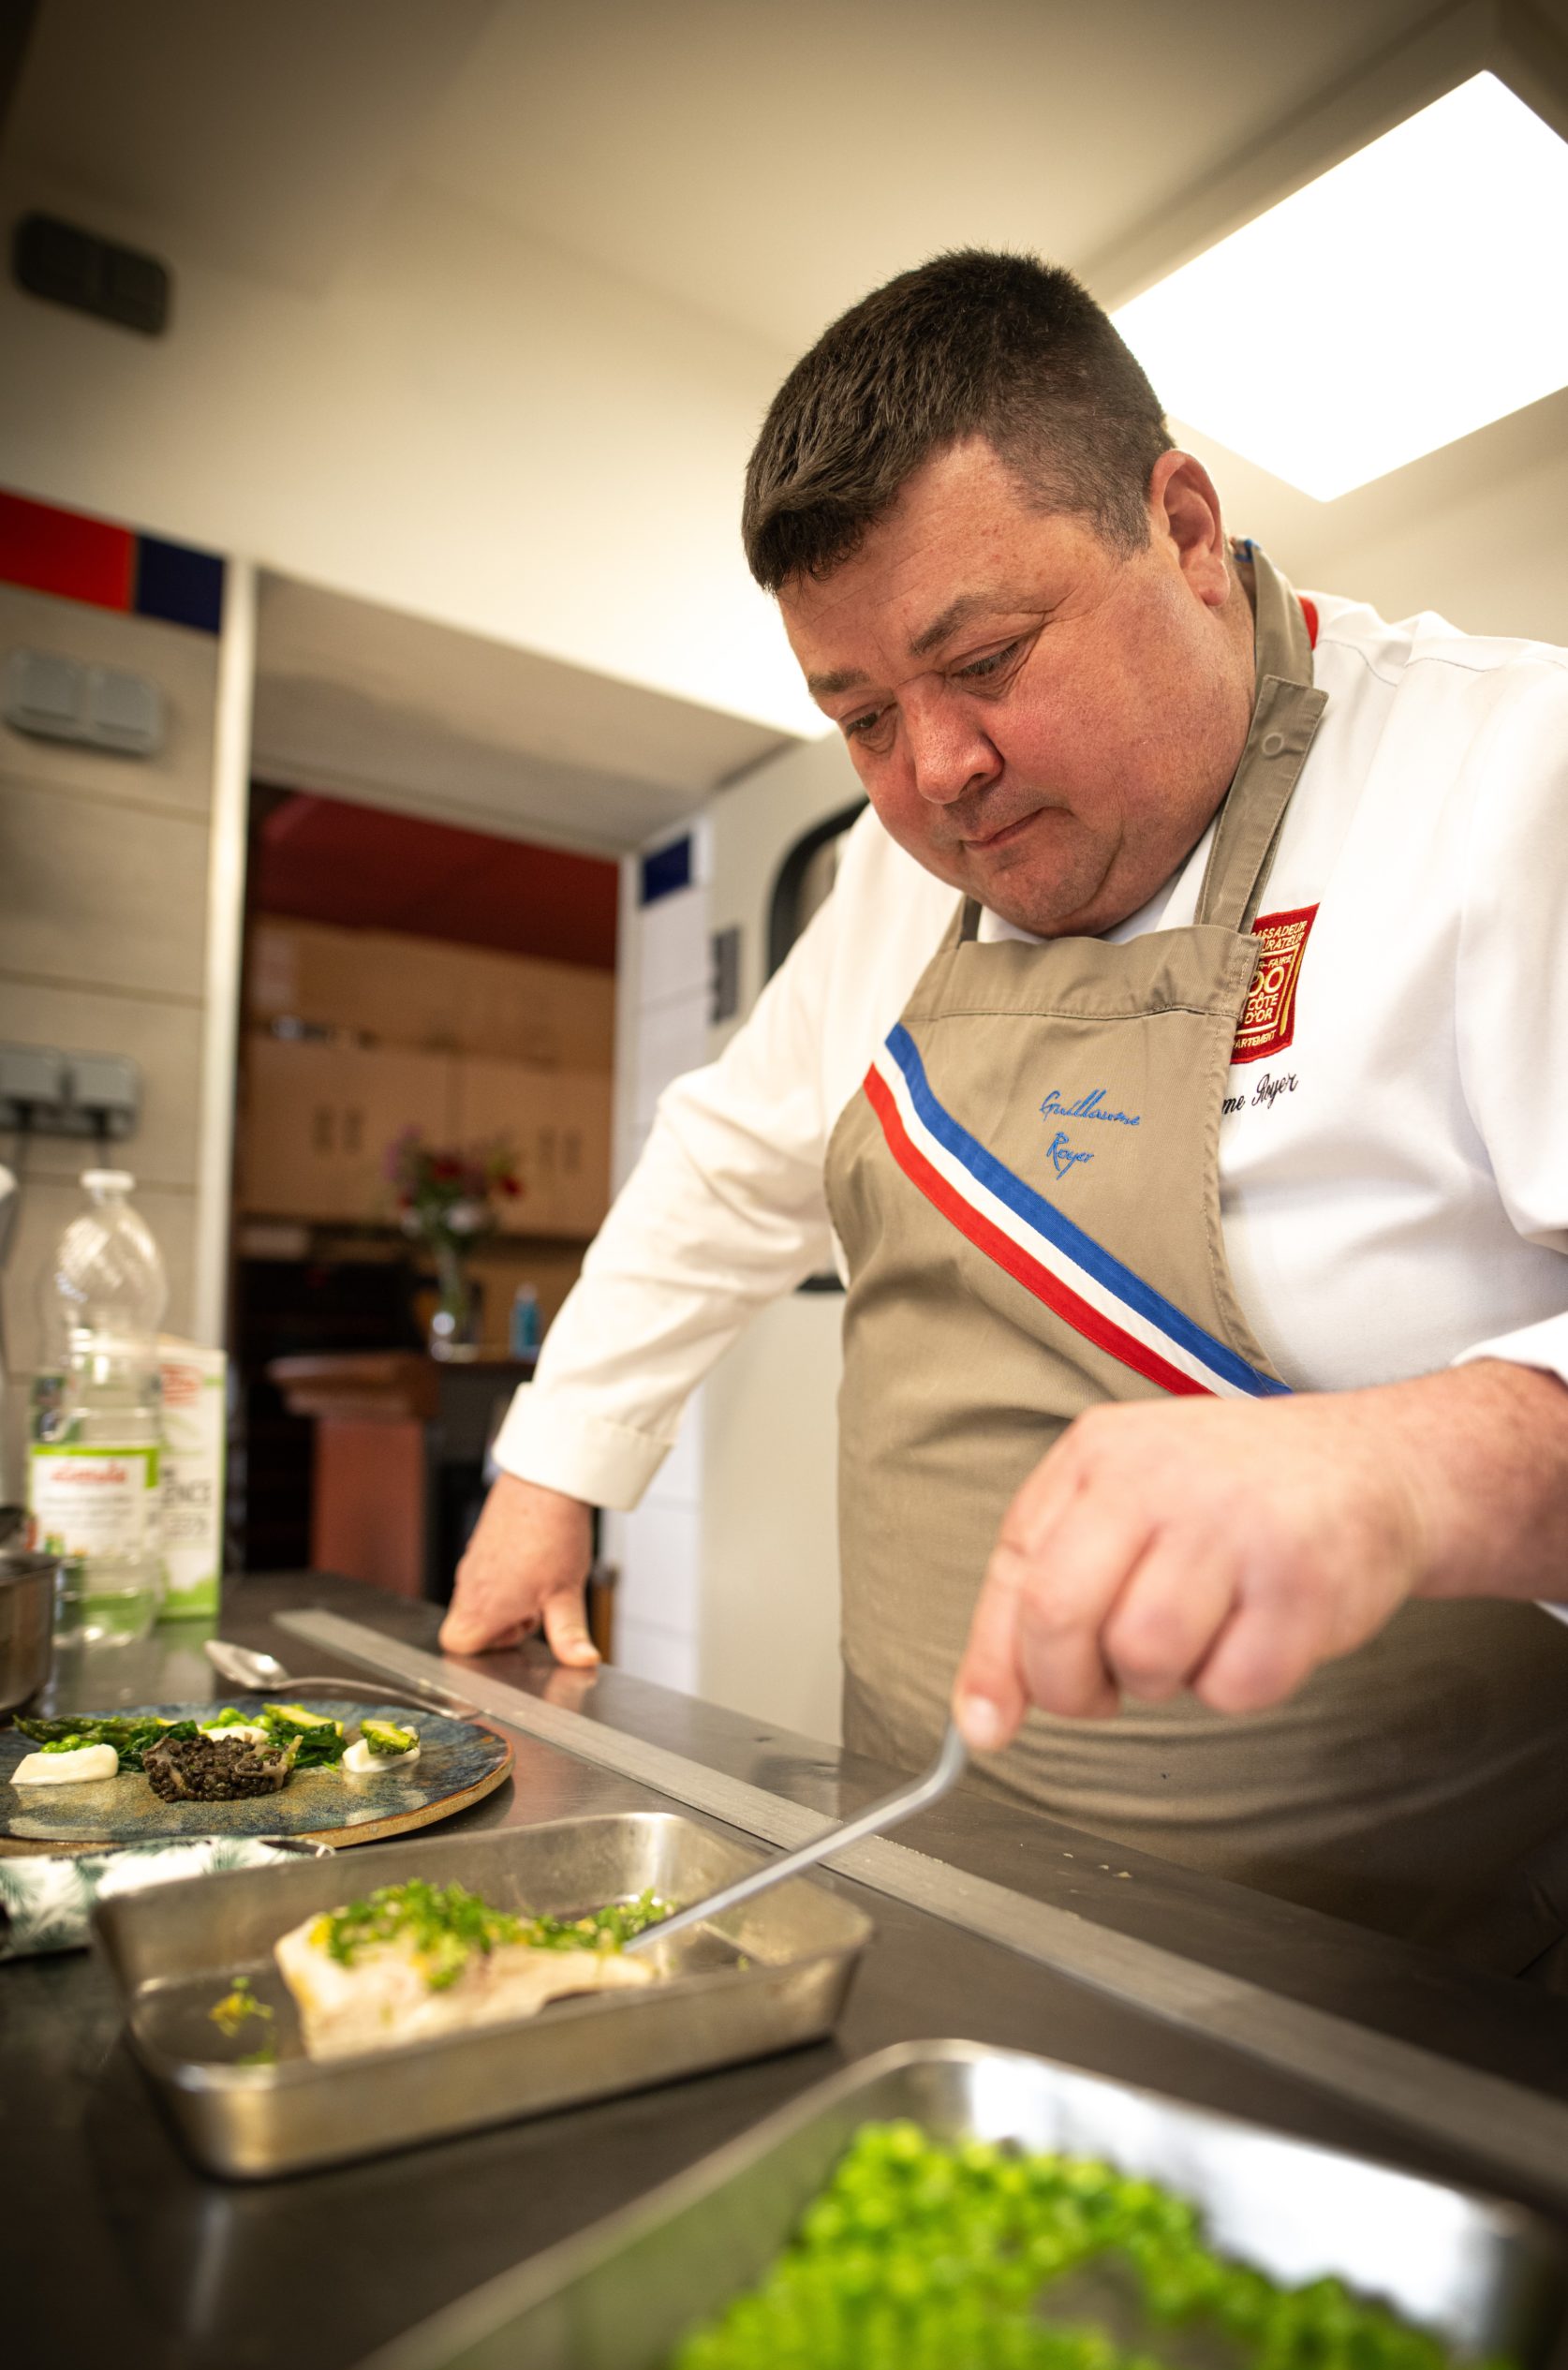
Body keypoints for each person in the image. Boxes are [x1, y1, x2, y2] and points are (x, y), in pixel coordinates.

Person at [445, 252, 1568, 1977]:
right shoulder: (909, 870)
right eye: (859, 718)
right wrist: (552, 1469)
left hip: (1380, 1984)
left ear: (1180, 528)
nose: (935, 773)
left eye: (983, 659)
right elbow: (734, 1155)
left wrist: (1424, 1463)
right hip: (921, 1881)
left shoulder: (1509, 778)